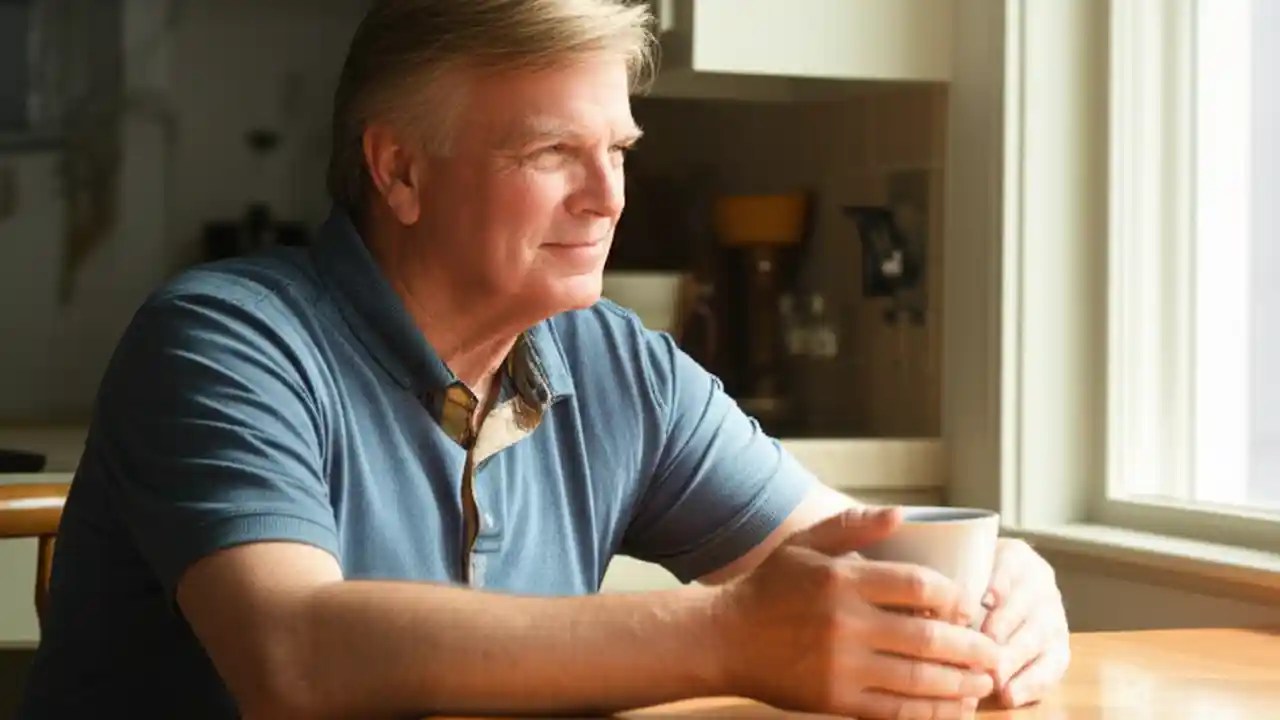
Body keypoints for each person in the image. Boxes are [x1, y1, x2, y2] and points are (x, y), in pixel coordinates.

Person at [18, 1, 1069, 718]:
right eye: (548, 152)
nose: (609, 198)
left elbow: (847, 561)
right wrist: (726, 635)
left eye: (614, 150)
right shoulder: (223, 342)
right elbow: (293, 654)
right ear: (398, 170)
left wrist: (989, 594)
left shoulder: (616, 365)